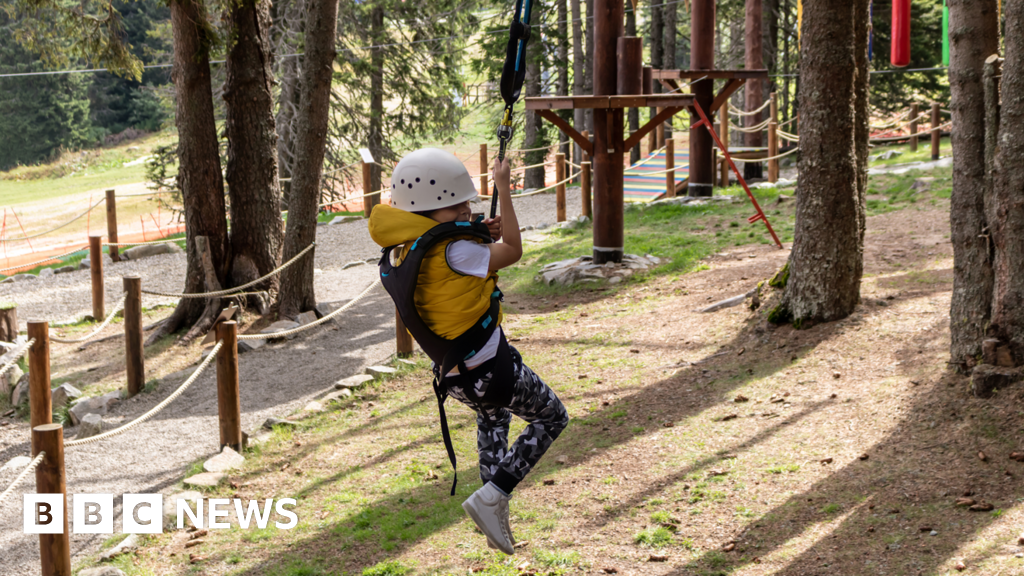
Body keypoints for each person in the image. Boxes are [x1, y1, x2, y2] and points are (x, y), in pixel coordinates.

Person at [368, 148, 569, 555]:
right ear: (426, 209)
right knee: (551, 417)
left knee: (493, 418)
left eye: (466, 203)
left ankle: (492, 512)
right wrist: (503, 190)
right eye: (455, 205)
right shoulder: (457, 251)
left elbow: (452, 260)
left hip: (458, 377)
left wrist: (475, 231)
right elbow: (512, 250)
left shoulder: (403, 249)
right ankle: (495, 494)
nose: (466, 209)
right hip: (491, 369)